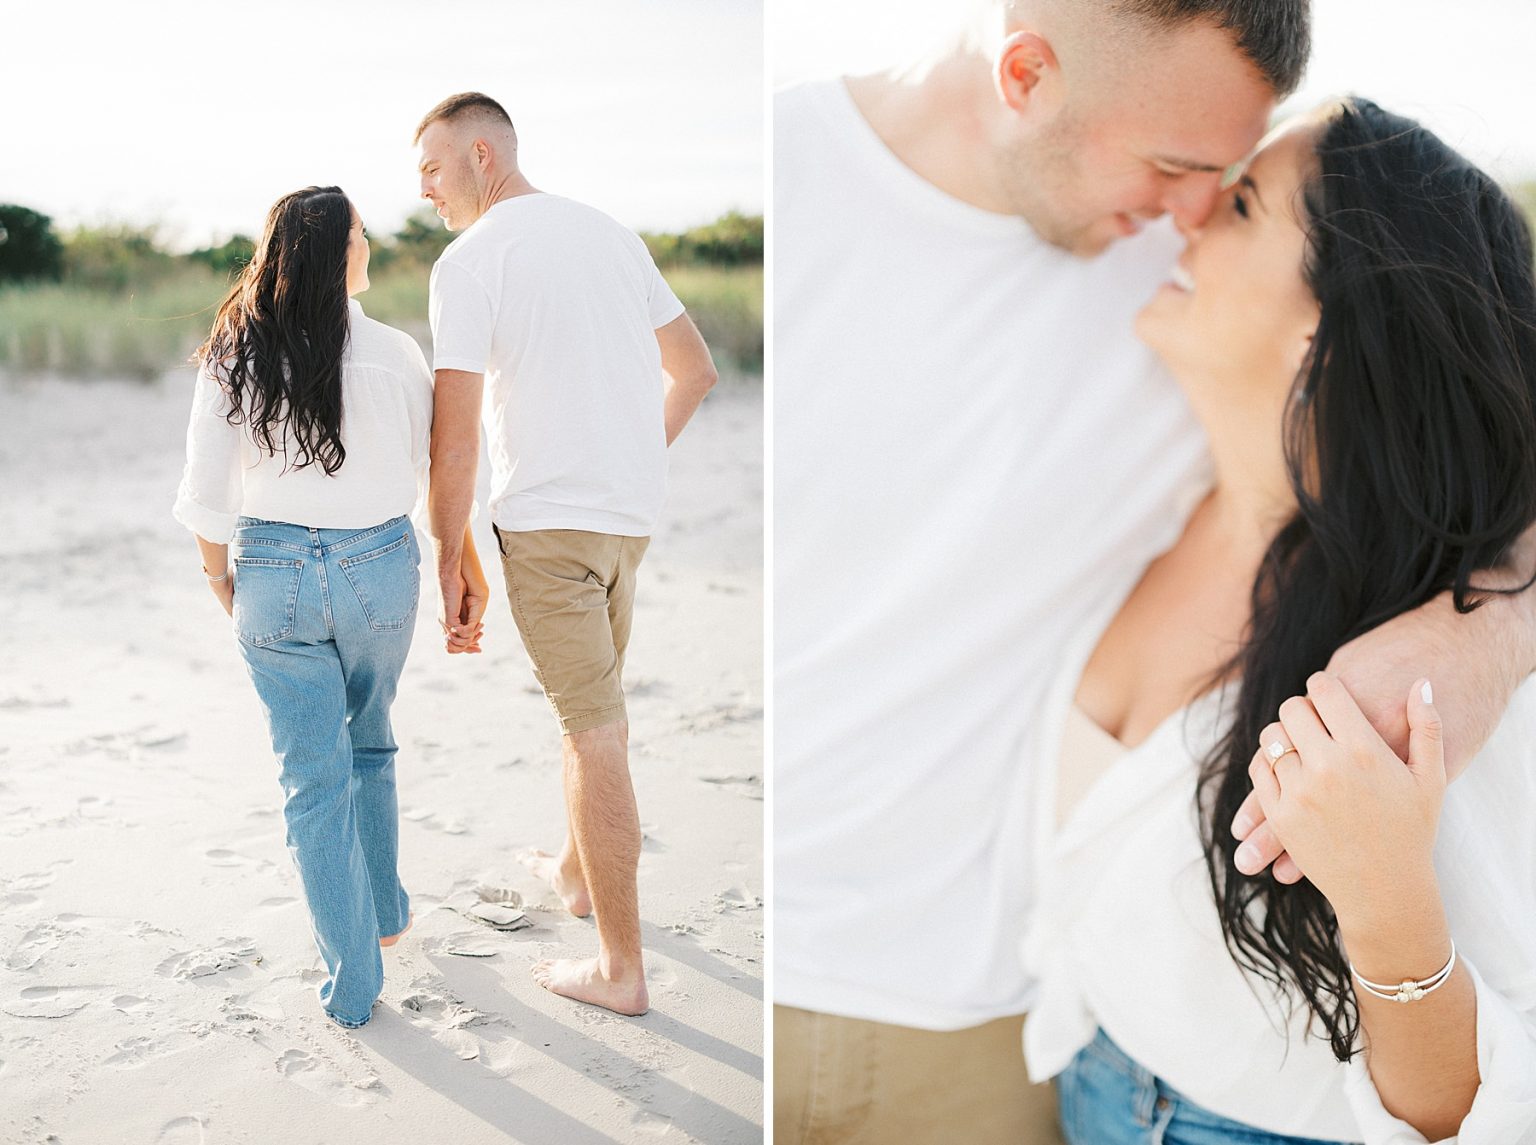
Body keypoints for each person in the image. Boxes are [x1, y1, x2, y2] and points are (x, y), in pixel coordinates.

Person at [771, 2, 1536, 1141]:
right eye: (1188, 172)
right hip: (1055, 1057)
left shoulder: (1413, 639)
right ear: (1026, 72)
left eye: (1232, 193)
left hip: (1100, 1072)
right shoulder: (1186, 460)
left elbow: (1491, 1096)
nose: (1180, 221)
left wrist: (1491, 626)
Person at [1022, 98, 1536, 1144]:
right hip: (1085, 1072)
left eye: (1245, 204)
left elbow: (1477, 1113)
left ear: (1326, 320)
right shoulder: (1153, 489)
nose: (1192, 219)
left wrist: (1386, 890)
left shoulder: (1427, 669)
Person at [413, 93, 719, 1016]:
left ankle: (621, 968)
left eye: (430, 168)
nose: (424, 190)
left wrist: (449, 552)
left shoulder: (469, 262)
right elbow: (695, 370)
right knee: (592, 711)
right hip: (627, 518)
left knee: (596, 728)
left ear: (479, 154)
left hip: (547, 528)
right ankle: (575, 875)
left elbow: (455, 438)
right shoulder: (611, 234)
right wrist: (628, 459)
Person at [171, 186, 470, 1029]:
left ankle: (352, 983)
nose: (369, 246)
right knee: (370, 737)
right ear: (342, 254)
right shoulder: (399, 354)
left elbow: (205, 491)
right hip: (377, 566)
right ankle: (386, 910)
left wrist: (219, 578)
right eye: (363, 236)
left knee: (312, 777)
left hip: (272, 568)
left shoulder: (236, 353)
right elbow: (425, 467)